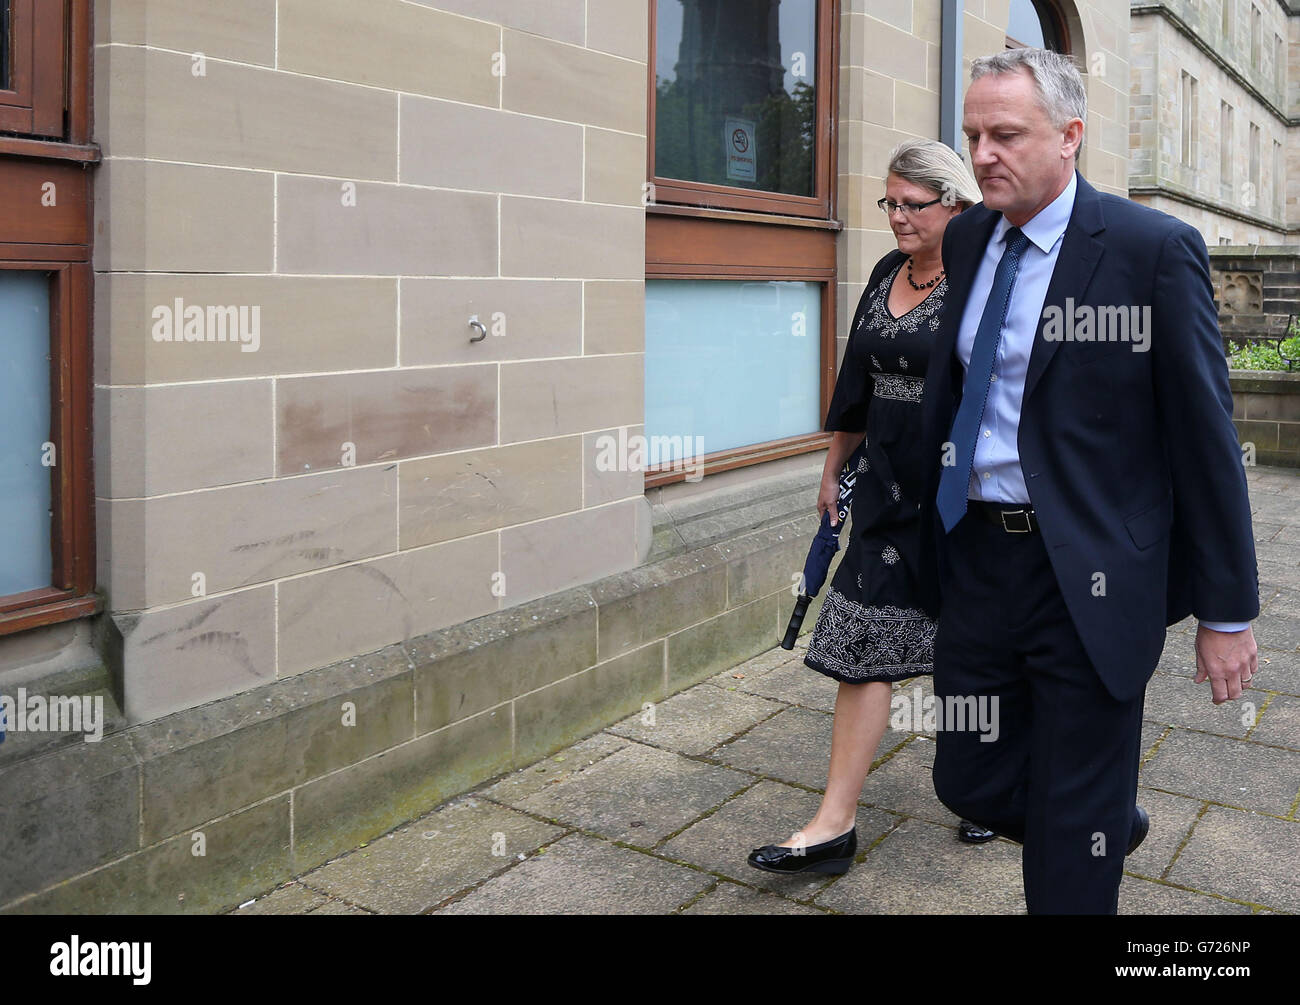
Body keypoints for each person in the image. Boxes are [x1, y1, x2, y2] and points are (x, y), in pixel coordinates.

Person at [916, 47, 1260, 914]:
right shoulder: (966, 235)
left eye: (1005, 134)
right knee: (968, 773)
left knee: (1071, 845)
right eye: (972, 136)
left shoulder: (1150, 251)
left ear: (1070, 136)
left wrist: (1227, 610)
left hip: (1091, 576)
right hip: (977, 564)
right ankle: (1100, 813)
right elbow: (958, 393)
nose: (983, 154)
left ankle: (1086, 826)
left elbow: (1206, 440)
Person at [748, 139, 994, 877]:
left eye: (910, 205)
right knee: (859, 641)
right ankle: (834, 824)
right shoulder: (888, 272)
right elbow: (856, 380)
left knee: (971, 647)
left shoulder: (983, 278)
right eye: (888, 203)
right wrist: (832, 471)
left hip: (960, 493)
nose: (895, 218)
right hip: (885, 485)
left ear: (955, 203)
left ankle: (981, 788)